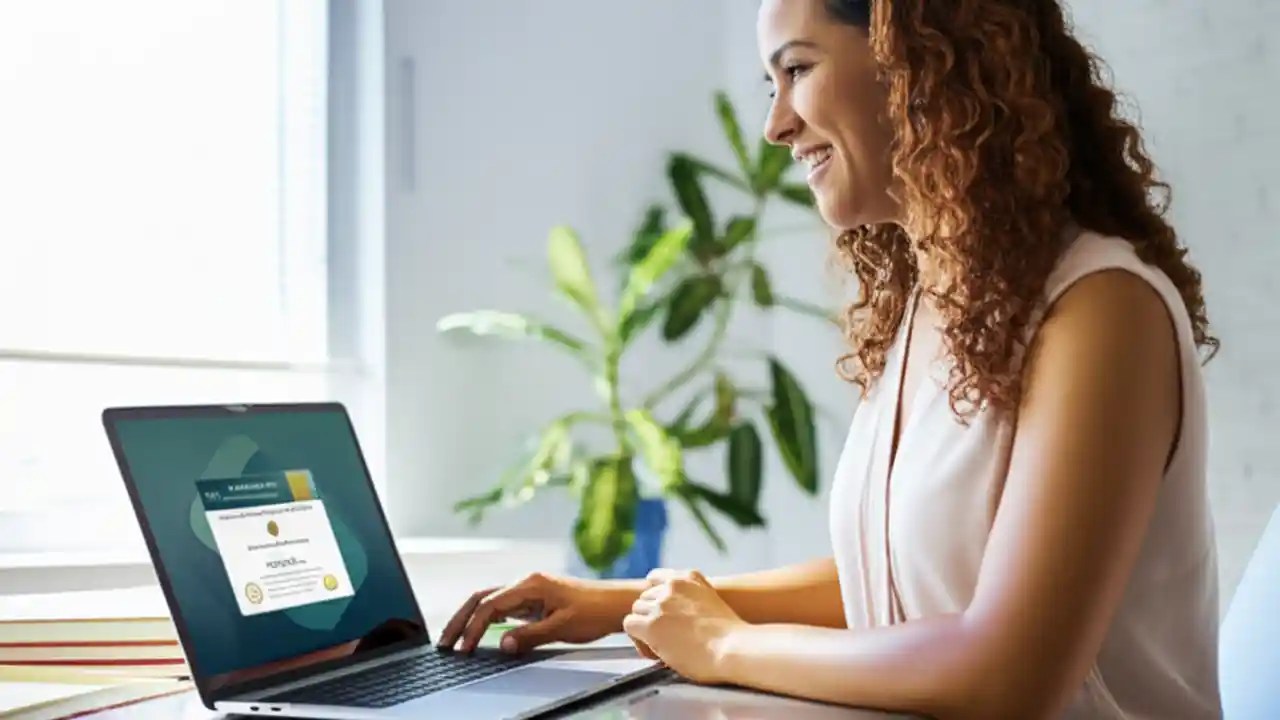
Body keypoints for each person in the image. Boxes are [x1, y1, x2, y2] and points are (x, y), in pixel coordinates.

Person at [439, 1, 1222, 717]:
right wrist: (631, 605)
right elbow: (897, 589)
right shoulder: (938, 307)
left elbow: (1010, 671)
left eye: (797, 69)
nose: (776, 124)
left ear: (919, 57)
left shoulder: (1102, 310)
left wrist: (722, 644)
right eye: (769, 83)